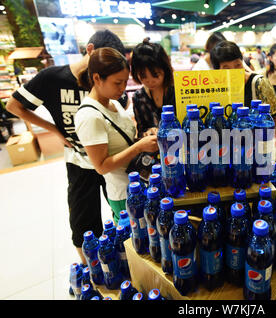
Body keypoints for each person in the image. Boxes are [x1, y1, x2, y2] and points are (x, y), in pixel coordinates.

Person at [5, 30, 126, 266]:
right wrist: (54, 130)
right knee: (83, 221)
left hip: (110, 159)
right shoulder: (53, 78)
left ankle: (120, 262)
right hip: (80, 161)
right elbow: (14, 105)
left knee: (120, 213)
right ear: (90, 50)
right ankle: (89, 271)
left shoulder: (108, 80)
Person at [75, 47, 158, 226]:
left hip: (138, 184)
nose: (123, 88)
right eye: (117, 83)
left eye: (125, 82)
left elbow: (123, 141)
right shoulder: (90, 116)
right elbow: (101, 166)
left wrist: (144, 137)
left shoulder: (112, 103)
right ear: (97, 78)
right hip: (123, 193)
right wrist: (139, 147)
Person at [210, 41, 276, 122]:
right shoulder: (212, 88)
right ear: (216, 71)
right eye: (227, 68)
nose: (234, 71)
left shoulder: (259, 83)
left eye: (238, 65)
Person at [130, 39, 175, 139]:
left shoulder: (177, 92)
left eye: (155, 75)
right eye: (143, 76)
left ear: (165, 69)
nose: (150, 81)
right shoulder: (139, 97)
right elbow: (141, 130)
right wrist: (147, 133)